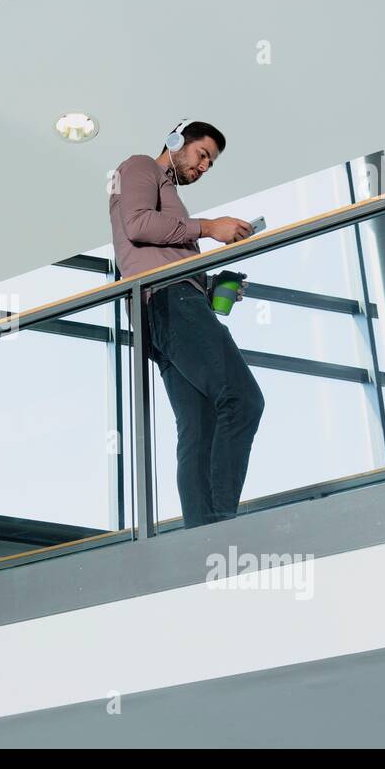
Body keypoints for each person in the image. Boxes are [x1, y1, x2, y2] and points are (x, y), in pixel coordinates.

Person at [108, 119, 264, 527]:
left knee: (199, 426)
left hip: (167, 307)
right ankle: (222, 522)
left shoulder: (171, 198)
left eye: (210, 163)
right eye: (202, 155)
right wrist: (210, 228)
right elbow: (138, 224)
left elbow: (163, 256)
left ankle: (202, 536)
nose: (204, 167)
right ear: (176, 141)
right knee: (244, 400)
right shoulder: (140, 166)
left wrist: (213, 285)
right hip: (170, 302)